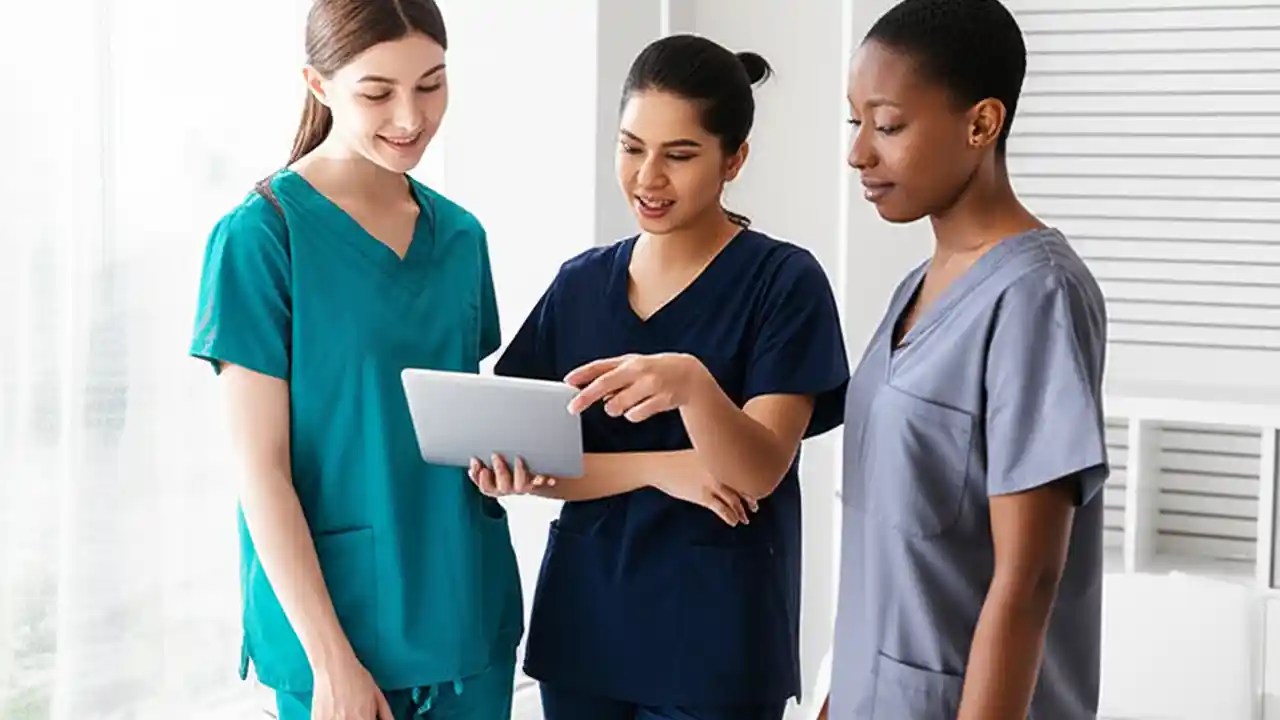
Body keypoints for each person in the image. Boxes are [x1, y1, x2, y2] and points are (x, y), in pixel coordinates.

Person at [472, 34, 849, 720]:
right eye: (631, 147)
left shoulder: (784, 283)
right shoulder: (581, 285)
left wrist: (694, 387)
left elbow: (758, 469)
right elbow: (539, 460)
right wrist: (660, 469)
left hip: (717, 645)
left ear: (734, 159)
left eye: (679, 155)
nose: (648, 177)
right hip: (585, 630)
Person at [188, 1, 522, 718]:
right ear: (318, 84)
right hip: (339, 638)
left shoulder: (460, 237)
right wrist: (331, 661)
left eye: (431, 85)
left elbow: (444, 423)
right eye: (378, 92)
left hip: (467, 610)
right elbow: (261, 470)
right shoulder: (261, 238)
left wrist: (503, 464)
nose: (411, 116)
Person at [823, 1, 1110, 718]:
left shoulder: (1037, 295)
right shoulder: (915, 290)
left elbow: (1030, 577)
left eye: (887, 125)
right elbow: (889, 548)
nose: (860, 152)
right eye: (854, 122)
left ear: (981, 124)